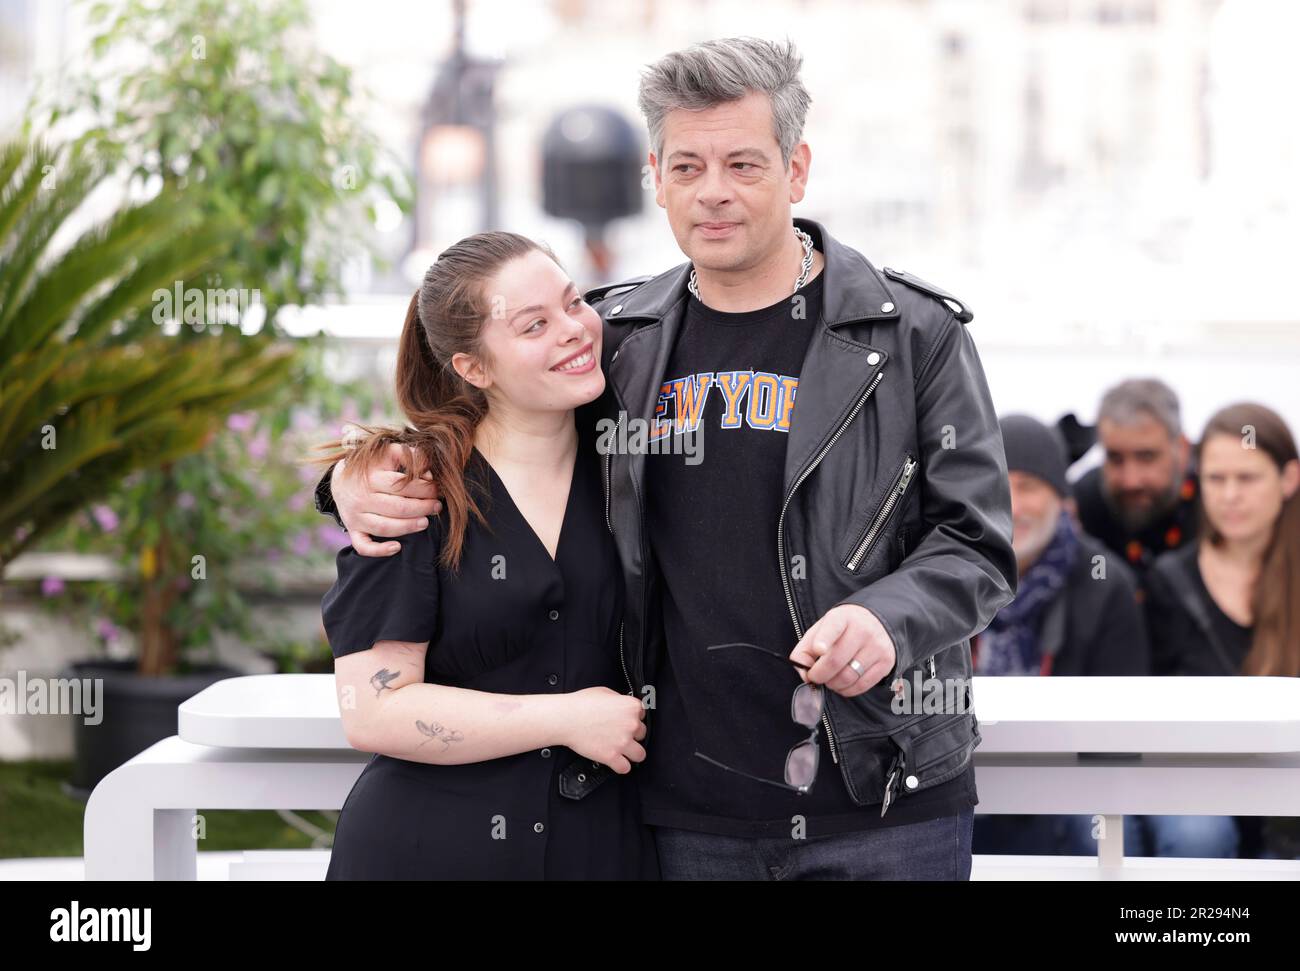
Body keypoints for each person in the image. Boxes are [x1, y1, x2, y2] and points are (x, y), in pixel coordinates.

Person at [317, 37, 1016, 880]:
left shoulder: (911, 334)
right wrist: (352, 479)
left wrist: (887, 618)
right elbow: (492, 419)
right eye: (686, 166)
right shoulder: (617, 344)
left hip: (881, 800)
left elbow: (977, 541)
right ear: (654, 176)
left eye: (743, 164)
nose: (712, 191)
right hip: (684, 815)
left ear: (796, 170)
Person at [316, 232, 659, 879]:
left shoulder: (633, 467)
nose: (574, 330)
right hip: (430, 852)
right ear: (474, 368)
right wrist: (566, 717)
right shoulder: (412, 492)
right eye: (534, 325)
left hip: (599, 851)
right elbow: (373, 709)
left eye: (572, 302)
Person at [970, 414, 1149, 857]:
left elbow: (1121, 728)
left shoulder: (1105, 583)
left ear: (1062, 500)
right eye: (1000, 484)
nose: (1013, 505)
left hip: (1071, 784)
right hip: (961, 779)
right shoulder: (944, 576)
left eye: (1030, 486)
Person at [1144, 401, 1300, 860]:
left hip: (1288, 784)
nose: (1230, 494)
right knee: (1196, 837)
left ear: (1289, 479)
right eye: (1216, 478)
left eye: (1247, 478)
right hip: (1200, 782)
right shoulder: (1169, 580)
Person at [1073, 378, 1200, 583]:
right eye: (1115, 458)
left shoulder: (1216, 506)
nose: (1130, 481)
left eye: (1146, 457)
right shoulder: (1084, 505)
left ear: (1183, 449)